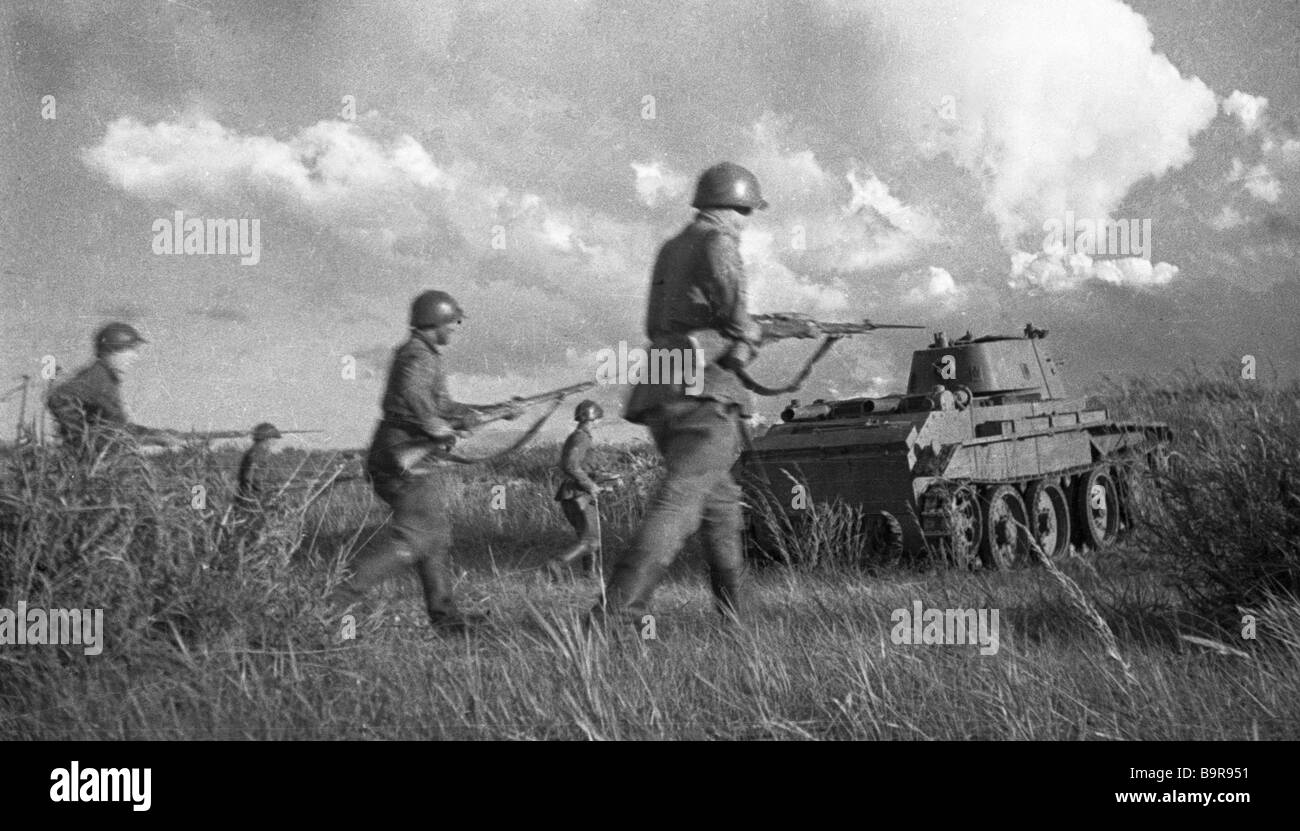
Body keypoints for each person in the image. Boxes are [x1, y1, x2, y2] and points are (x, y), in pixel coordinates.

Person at [591, 162, 767, 629]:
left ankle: (740, 623)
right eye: (748, 213)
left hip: (663, 388)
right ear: (737, 208)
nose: (748, 223)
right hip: (703, 397)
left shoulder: (673, 247)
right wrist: (756, 334)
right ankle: (614, 619)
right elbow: (736, 321)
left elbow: (657, 324)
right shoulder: (720, 243)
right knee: (678, 504)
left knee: (723, 512)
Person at [330, 290, 523, 633]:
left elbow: (445, 406)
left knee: (435, 536)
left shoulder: (424, 354)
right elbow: (415, 397)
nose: (456, 329)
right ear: (436, 322)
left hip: (404, 455)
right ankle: (335, 601)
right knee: (415, 537)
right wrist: (436, 427)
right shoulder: (418, 357)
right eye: (453, 323)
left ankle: (445, 617)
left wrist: (498, 411)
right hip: (402, 459)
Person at [46, 322, 181, 452]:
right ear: (111, 351)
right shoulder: (99, 379)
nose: (134, 357)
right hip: (89, 455)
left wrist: (155, 435)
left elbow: (118, 426)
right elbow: (58, 396)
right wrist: (79, 438)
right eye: (130, 350)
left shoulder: (103, 375)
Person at [544, 399, 614, 580]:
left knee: (589, 537)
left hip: (575, 493)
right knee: (591, 540)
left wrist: (602, 477)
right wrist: (590, 485)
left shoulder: (579, 436)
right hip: (578, 494)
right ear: (595, 419)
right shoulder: (581, 437)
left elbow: (580, 466)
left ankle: (589, 574)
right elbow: (570, 465)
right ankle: (556, 564)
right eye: (598, 419)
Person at [237, 422, 282, 505]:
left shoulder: (256, 451)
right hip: (252, 500)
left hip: (250, 497)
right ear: (267, 438)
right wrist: (260, 493)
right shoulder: (258, 452)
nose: (274, 442)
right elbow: (249, 476)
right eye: (273, 438)